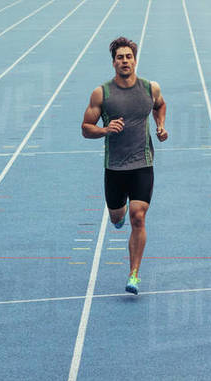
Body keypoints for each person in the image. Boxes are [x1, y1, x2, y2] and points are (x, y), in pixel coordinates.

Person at [81, 36, 167, 295]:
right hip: (115, 168)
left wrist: (160, 126)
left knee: (138, 217)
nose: (125, 61)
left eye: (129, 56)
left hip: (143, 164)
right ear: (113, 62)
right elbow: (86, 128)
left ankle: (134, 275)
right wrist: (105, 129)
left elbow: (160, 106)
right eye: (120, 57)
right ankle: (116, 217)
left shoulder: (150, 88)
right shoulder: (102, 93)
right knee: (118, 217)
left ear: (135, 59)